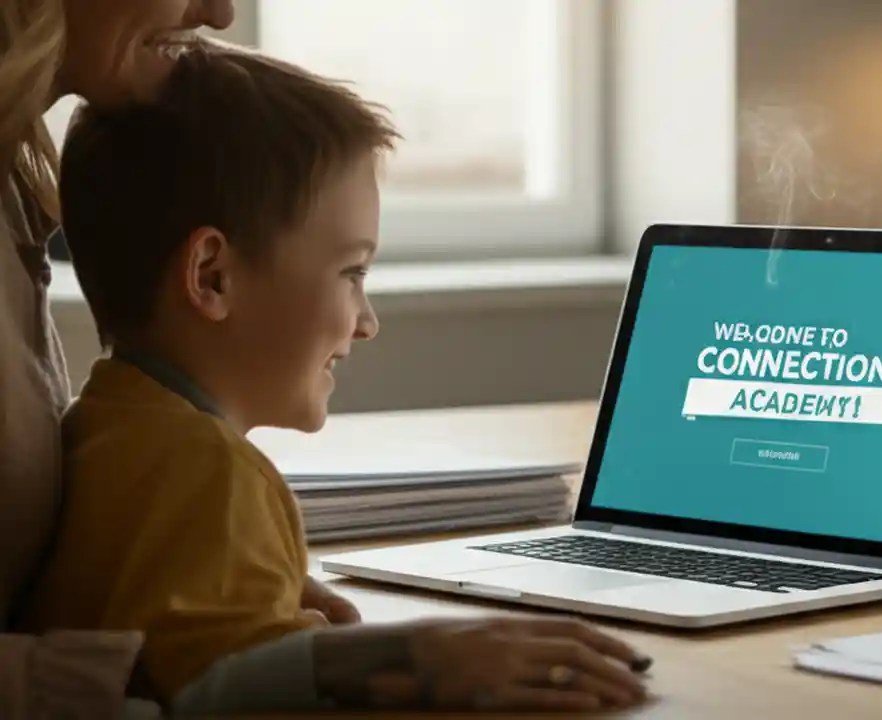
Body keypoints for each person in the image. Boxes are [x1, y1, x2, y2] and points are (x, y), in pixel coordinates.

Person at [0, 1, 649, 717]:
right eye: (351, 273)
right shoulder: (214, 477)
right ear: (211, 277)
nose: (366, 323)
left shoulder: (100, 428)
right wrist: (375, 663)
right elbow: (207, 697)